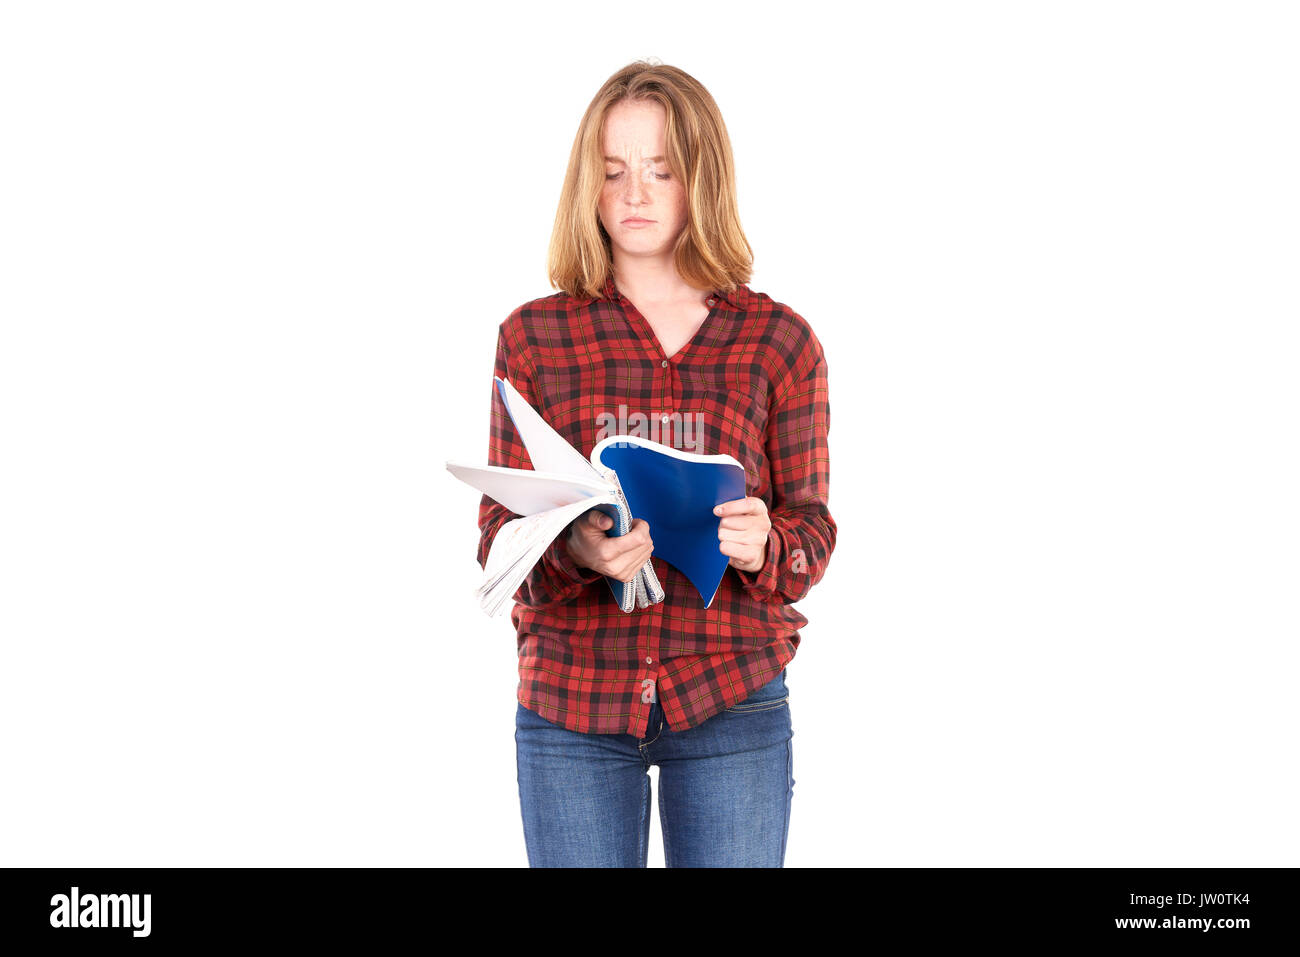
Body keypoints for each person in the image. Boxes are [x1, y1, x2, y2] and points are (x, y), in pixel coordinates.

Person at [477, 60, 835, 867]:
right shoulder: (534, 339)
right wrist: (579, 550)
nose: (634, 194)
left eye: (661, 170)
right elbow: (498, 535)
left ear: (699, 178)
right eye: (613, 172)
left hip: (730, 697)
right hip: (573, 703)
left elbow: (813, 529)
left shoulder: (778, 342)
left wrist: (763, 542)